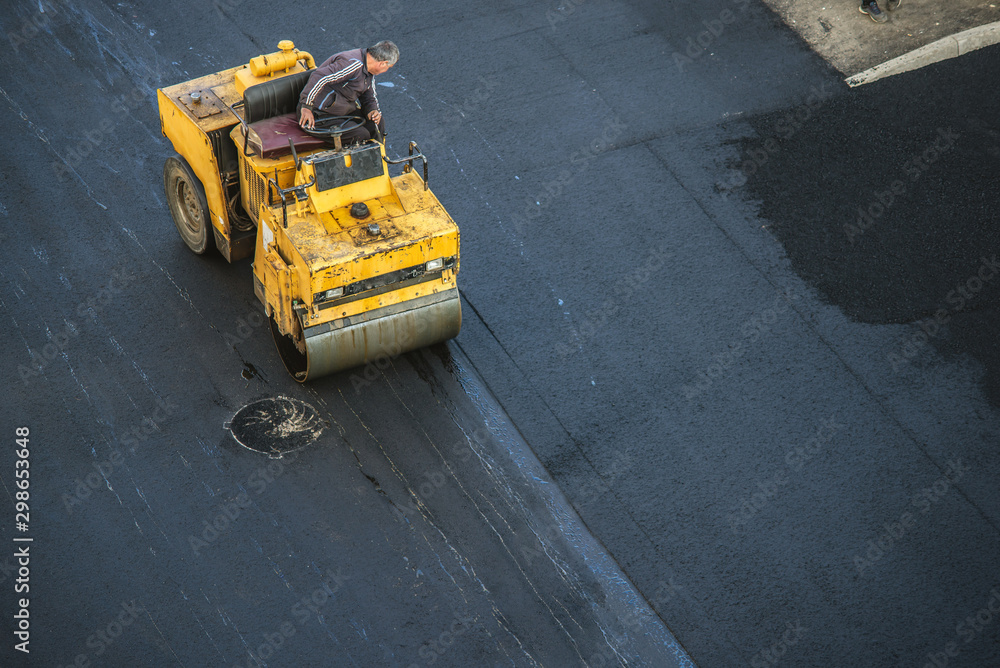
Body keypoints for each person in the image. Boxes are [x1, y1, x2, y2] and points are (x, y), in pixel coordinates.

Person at [297, 40, 399, 143]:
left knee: (377, 124)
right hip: (319, 113)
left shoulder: (368, 71)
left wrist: (372, 110)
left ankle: (379, 157)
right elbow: (319, 77)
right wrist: (306, 106)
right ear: (383, 63)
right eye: (388, 67)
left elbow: (369, 94)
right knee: (360, 135)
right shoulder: (352, 64)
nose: (386, 70)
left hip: (341, 111)